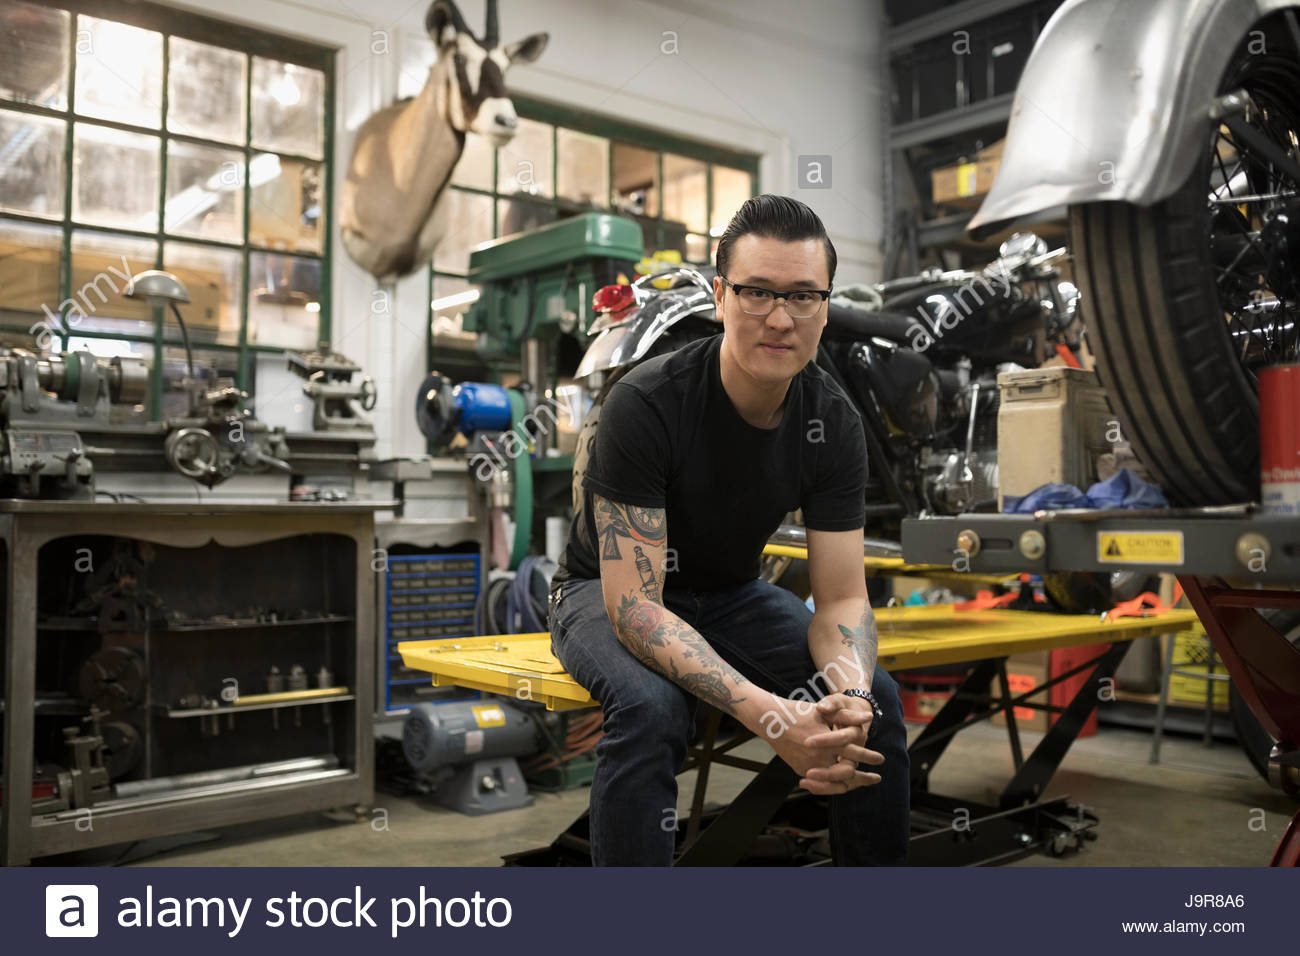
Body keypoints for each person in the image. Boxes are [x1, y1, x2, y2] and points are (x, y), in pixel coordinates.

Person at [548, 194, 909, 866]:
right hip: (605, 592)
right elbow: (636, 609)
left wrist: (849, 699)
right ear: (719, 297)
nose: (779, 318)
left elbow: (840, 600)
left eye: (803, 296)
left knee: (876, 704)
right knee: (653, 710)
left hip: (731, 595)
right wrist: (773, 716)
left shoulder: (832, 423)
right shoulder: (646, 404)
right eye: (756, 293)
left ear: (825, 308)